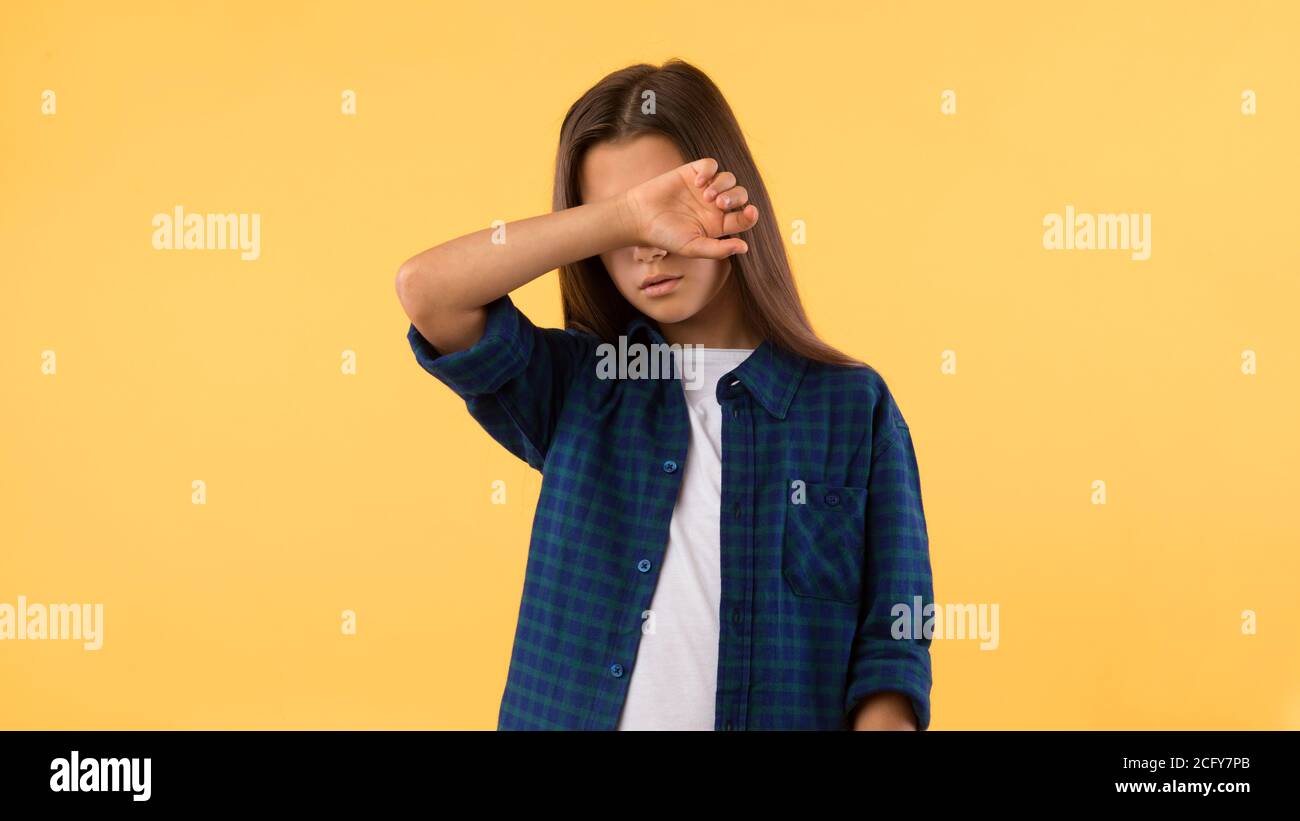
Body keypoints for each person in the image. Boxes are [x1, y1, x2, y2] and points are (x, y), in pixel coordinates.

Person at [395, 59, 934, 731]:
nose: (650, 249)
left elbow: (893, 642)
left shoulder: (852, 407)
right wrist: (620, 216)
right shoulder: (580, 388)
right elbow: (428, 291)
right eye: (623, 229)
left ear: (734, 195)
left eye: (669, 206)